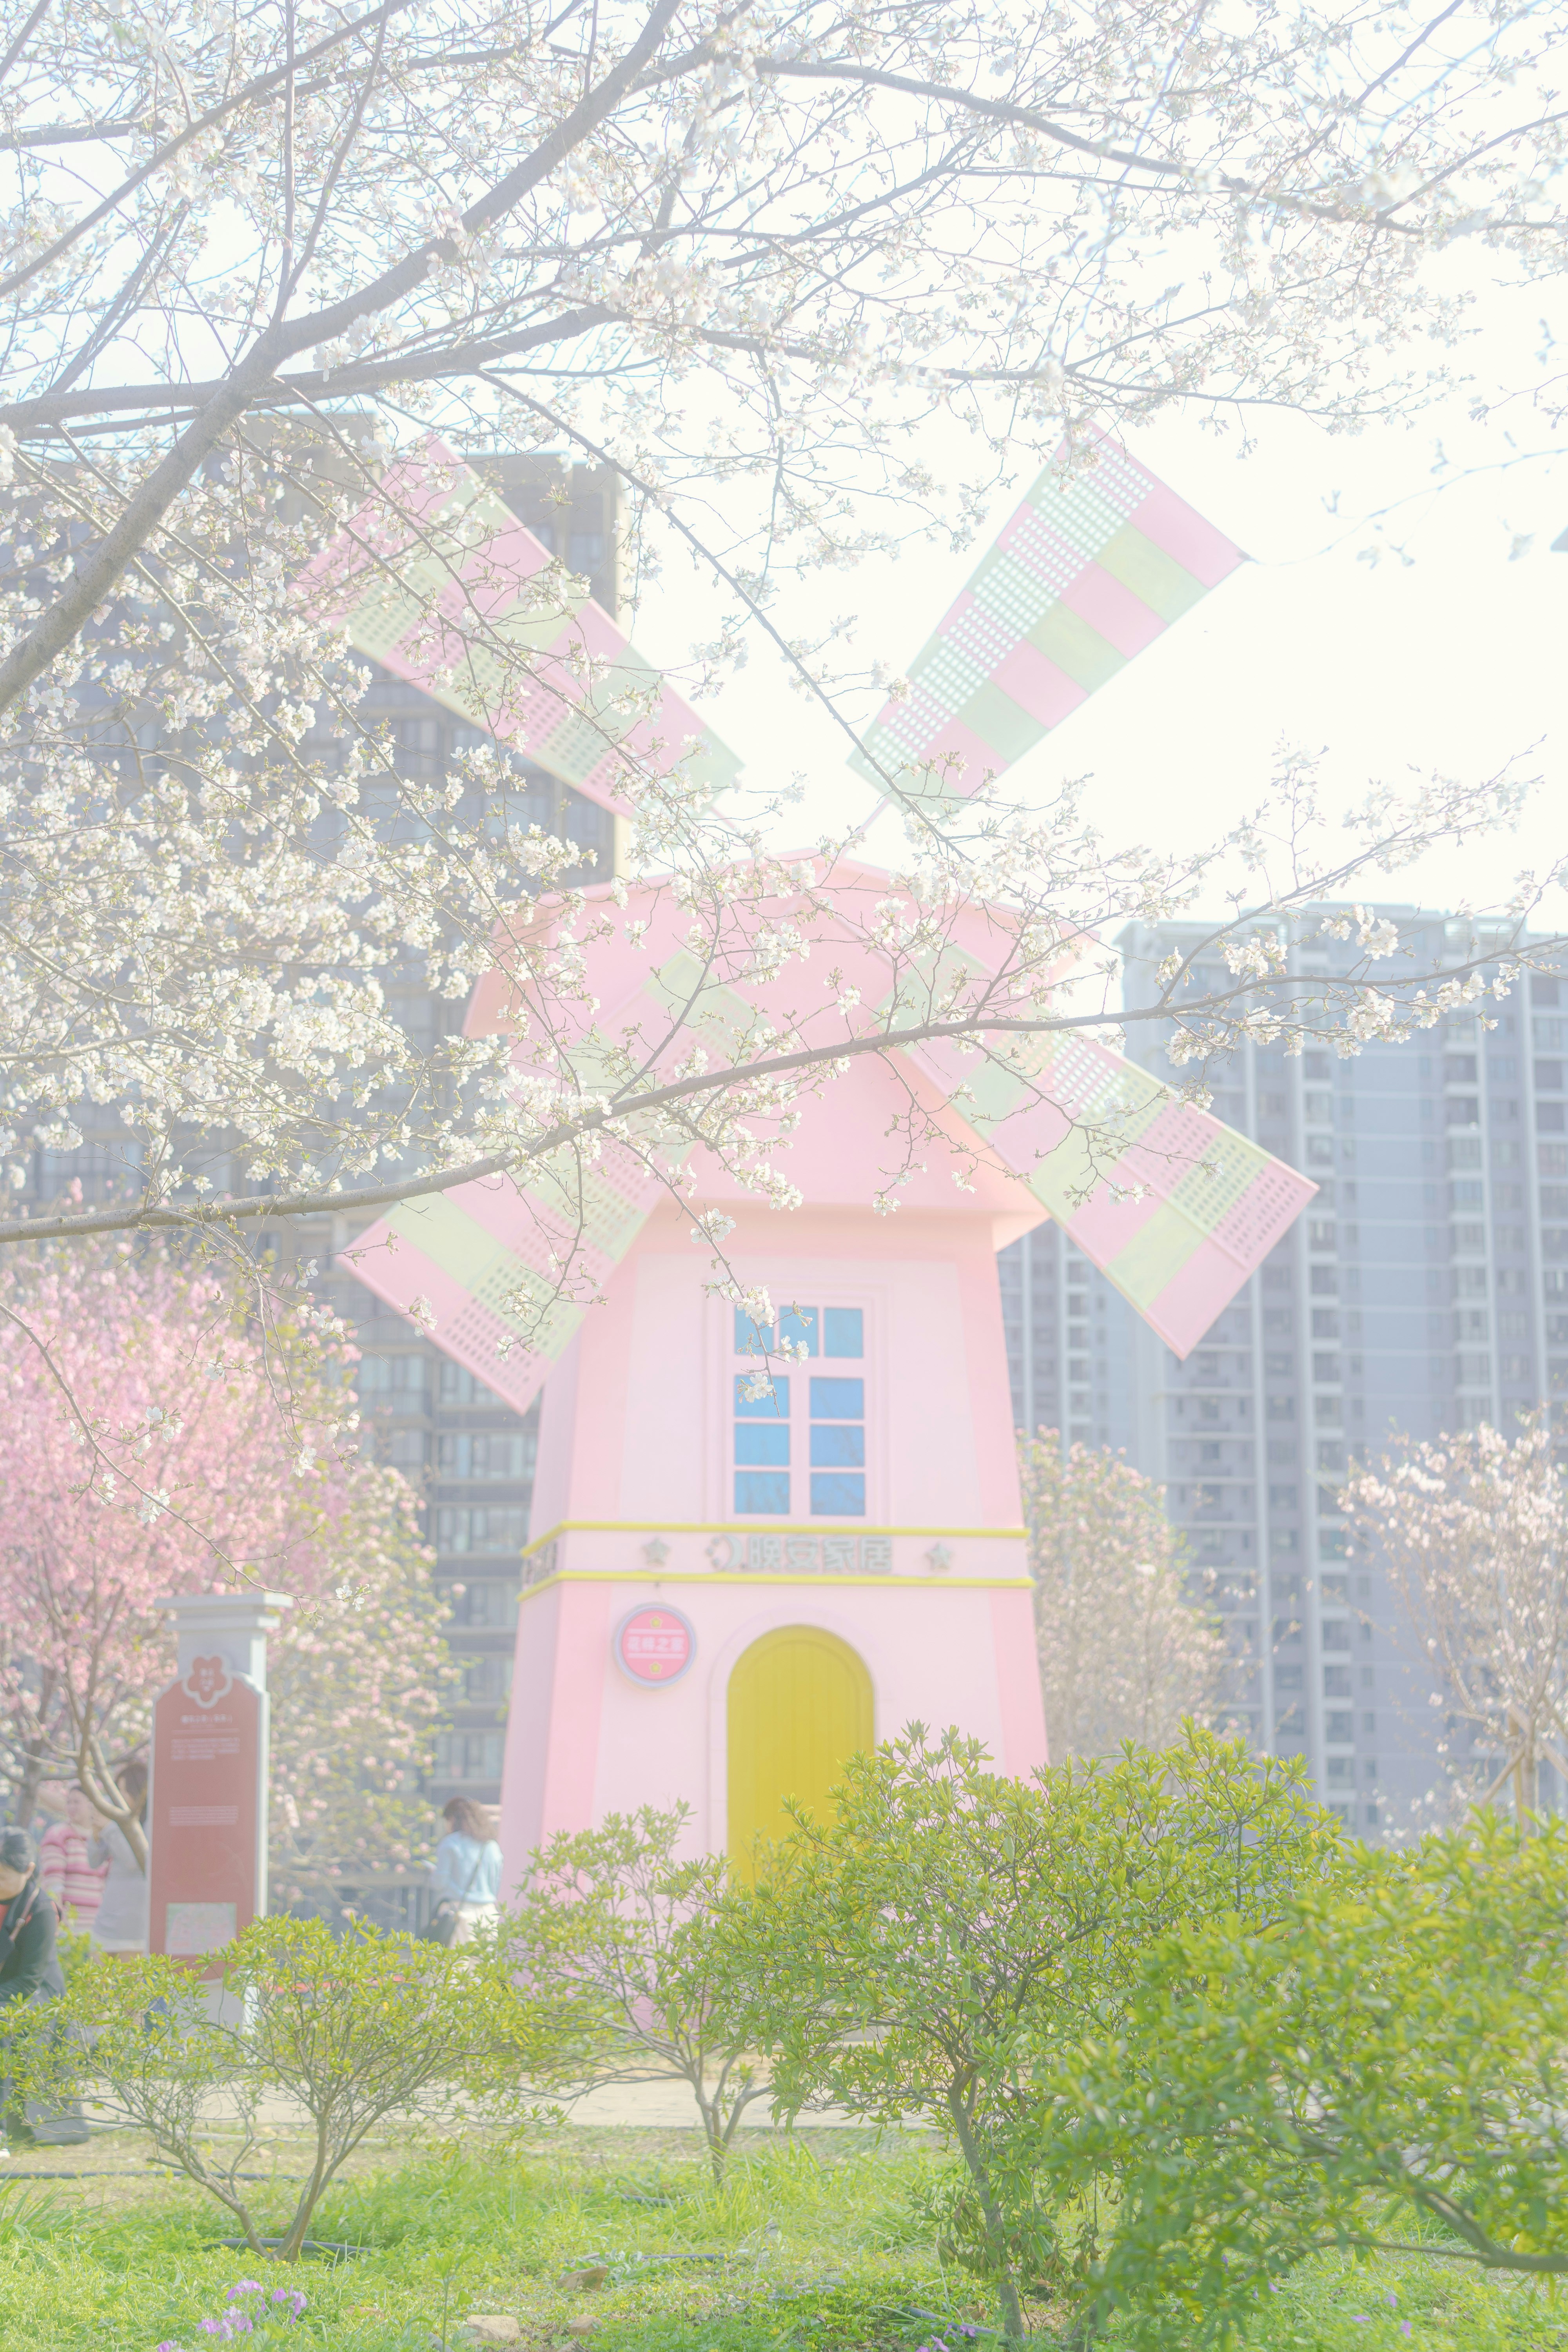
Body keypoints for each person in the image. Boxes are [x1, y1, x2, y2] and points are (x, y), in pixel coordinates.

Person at [0, 1826, 69, 2146]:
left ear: (28, 1870)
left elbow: (30, 1979)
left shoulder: (41, 1910)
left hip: (37, 1991)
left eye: (3, 1876)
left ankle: (5, 2124)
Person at [89, 1760, 148, 1957]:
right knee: (97, 1985)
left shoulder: (151, 1823)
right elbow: (94, 1861)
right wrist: (96, 1834)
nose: (118, 1796)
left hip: (134, 1922)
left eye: (122, 1790)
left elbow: (135, 1862)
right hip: (109, 1917)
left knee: (129, 1985)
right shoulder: (116, 1822)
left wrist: (109, 1828)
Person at [428, 1797, 502, 1945]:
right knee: (484, 1966)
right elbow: (495, 1884)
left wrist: (431, 1874)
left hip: (459, 1913)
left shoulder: (451, 1843)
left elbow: (440, 1883)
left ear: (454, 1819)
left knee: (457, 1965)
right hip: (488, 1914)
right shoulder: (491, 1846)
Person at [38, 1786, 109, 1931]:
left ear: (92, 1805)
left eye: (77, 1802)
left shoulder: (103, 1838)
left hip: (98, 1927)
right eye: (69, 1802)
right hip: (69, 1927)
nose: (71, 1807)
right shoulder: (59, 1835)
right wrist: (60, 1920)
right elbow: (54, 1883)